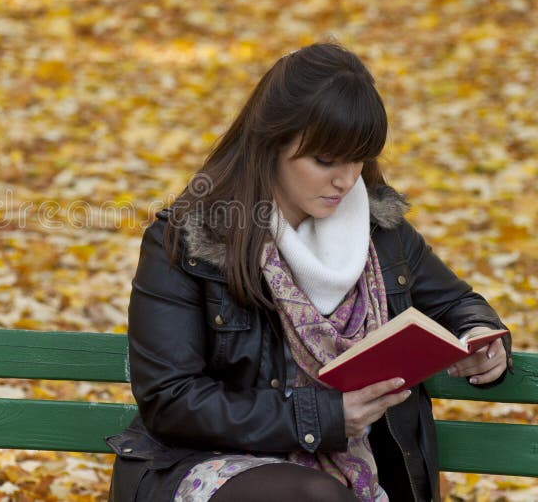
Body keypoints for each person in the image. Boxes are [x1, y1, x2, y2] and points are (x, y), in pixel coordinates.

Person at [106, 42, 512, 502]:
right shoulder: (188, 240)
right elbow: (170, 400)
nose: (345, 180)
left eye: (357, 158)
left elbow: (457, 304)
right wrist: (321, 418)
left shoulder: (380, 230)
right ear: (271, 144)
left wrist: (484, 338)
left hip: (348, 475)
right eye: (325, 161)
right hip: (207, 467)